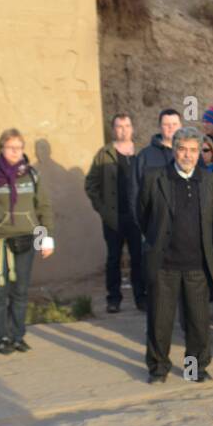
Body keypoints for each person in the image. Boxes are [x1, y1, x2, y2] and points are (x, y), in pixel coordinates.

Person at [138, 126, 213, 383]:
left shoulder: (210, 181)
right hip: (164, 265)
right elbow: (143, 215)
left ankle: (195, 369)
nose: (188, 155)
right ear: (174, 151)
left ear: (199, 154)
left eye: (193, 150)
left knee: (198, 324)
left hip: (197, 266)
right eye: (182, 149)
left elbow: (211, 219)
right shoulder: (155, 177)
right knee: (160, 323)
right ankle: (158, 369)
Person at [0, 129, 55, 354]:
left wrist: (45, 239)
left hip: (26, 239)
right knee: (0, 290)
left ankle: (18, 335)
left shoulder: (31, 175)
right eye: (11, 148)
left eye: (19, 148)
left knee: (20, 290)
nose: (15, 152)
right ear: (1, 149)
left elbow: (43, 207)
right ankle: (2, 337)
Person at [85, 113, 144, 312]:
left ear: (132, 128)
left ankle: (140, 297)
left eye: (127, 125)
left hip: (137, 217)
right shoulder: (104, 154)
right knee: (113, 258)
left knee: (139, 258)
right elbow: (91, 184)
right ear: (113, 129)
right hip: (114, 216)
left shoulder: (141, 153)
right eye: (119, 126)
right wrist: (103, 210)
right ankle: (113, 298)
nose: (123, 130)